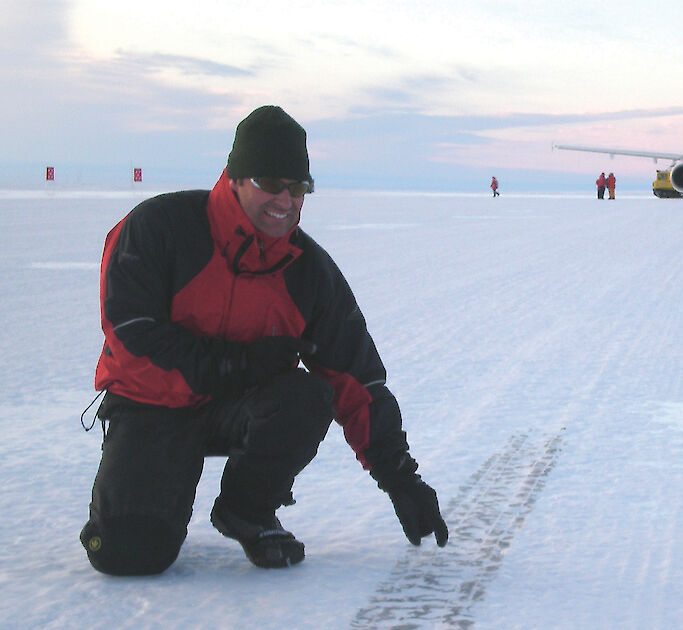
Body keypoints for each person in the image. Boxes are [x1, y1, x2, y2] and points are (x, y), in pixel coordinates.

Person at [79, 105, 449, 576]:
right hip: (153, 405)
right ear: (235, 178)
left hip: (236, 410)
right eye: (272, 184)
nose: (287, 200)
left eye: (299, 188)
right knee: (130, 553)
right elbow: (132, 338)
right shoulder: (158, 229)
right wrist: (239, 364)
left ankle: (248, 510)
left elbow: (358, 381)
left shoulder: (308, 272)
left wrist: (401, 480)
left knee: (307, 395)